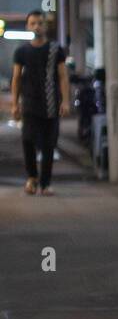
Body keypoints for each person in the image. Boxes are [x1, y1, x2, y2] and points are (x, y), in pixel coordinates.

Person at [10, 11, 71, 196]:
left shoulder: (55, 49)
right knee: (28, 141)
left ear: (46, 26)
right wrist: (15, 104)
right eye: (33, 23)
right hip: (29, 104)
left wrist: (65, 101)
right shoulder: (21, 51)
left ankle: (45, 184)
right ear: (28, 26)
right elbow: (16, 79)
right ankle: (32, 178)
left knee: (48, 145)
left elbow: (62, 76)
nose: (37, 26)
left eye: (40, 23)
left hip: (50, 104)